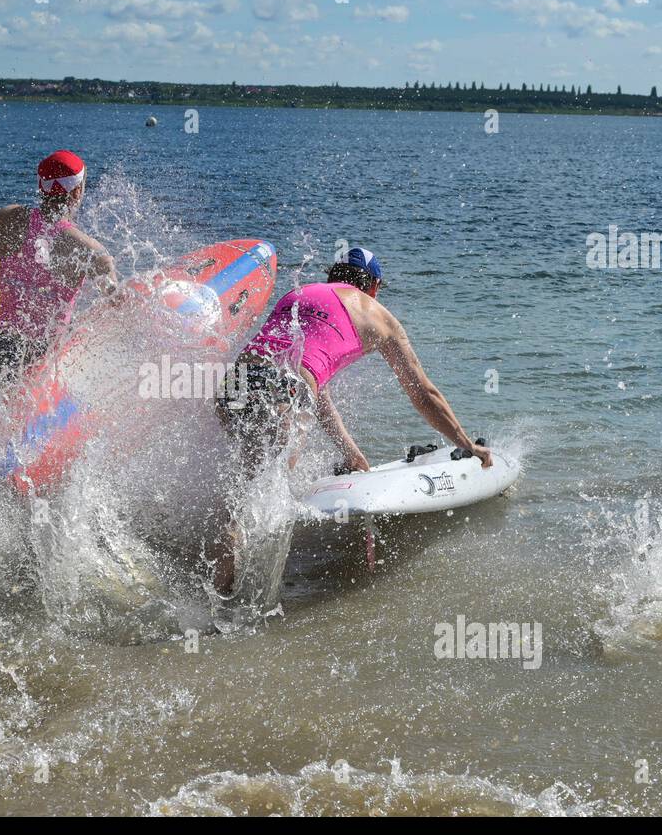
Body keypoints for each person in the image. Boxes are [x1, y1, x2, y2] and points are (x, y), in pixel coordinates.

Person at [211, 246, 492, 596]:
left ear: (333, 279)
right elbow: (424, 394)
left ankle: (215, 587)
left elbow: (312, 384)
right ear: (374, 285)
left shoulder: (300, 292)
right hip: (285, 391)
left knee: (247, 487)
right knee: (267, 490)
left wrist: (351, 454)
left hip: (233, 384)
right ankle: (241, 606)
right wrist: (465, 443)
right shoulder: (379, 317)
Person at [0, 150, 117, 378]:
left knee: (7, 403)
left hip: (3, 344)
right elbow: (118, 305)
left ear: (41, 186)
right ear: (78, 191)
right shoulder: (89, 250)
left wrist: (8, 285)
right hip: (48, 351)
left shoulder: (5, 219)